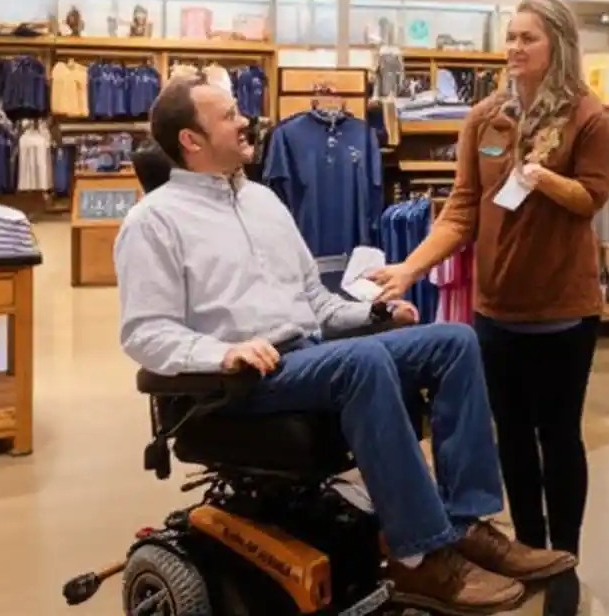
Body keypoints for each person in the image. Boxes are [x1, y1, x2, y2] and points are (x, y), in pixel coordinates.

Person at [113, 74, 577, 615]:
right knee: (363, 360)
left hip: (310, 353)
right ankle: (419, 558)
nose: (246, 122)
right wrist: (225, 353)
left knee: (453, 340)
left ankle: (464, 523)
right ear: (191, 141)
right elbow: (145, 334)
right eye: (228, 116)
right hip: (244, 381)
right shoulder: (154, 222)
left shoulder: (263, 201)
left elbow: (315, 301)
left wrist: (372, 312)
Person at [371, 0, 609, 616]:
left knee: (558, 435)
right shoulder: (484, 118)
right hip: (495, 311)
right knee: (509, 436)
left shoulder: (589, 117)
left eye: (527, 38)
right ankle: (527, 547)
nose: (513, 48)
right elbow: (461, 209)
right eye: (509, 37)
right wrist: (410, 267)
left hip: (564, 311)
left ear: (557, 44)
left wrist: (542, 177)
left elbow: (592, 198)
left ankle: (567, 553)